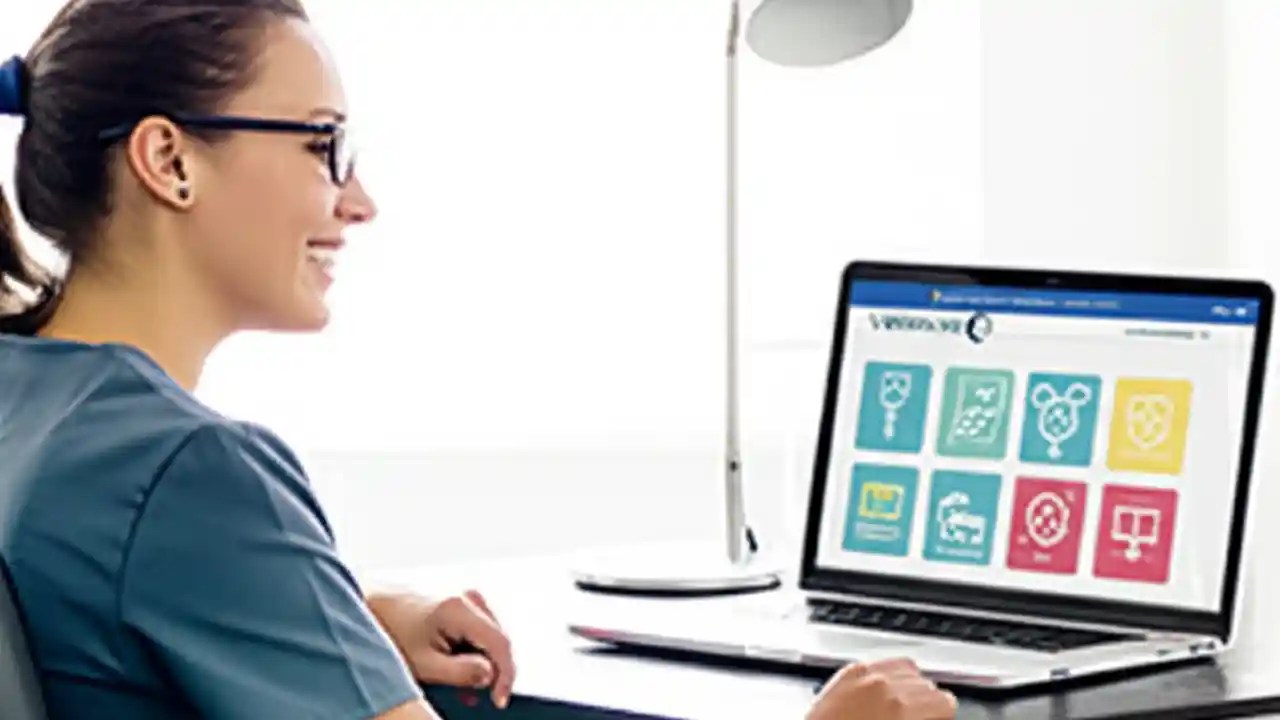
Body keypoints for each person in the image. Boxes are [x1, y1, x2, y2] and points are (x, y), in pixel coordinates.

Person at [0, 1, 958, 718]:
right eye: (324, 145)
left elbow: (112, 595)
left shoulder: (29, 397)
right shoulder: (196, 475)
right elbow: (170, 540)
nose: (359, 200)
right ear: (169, 161)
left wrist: (346, 614)